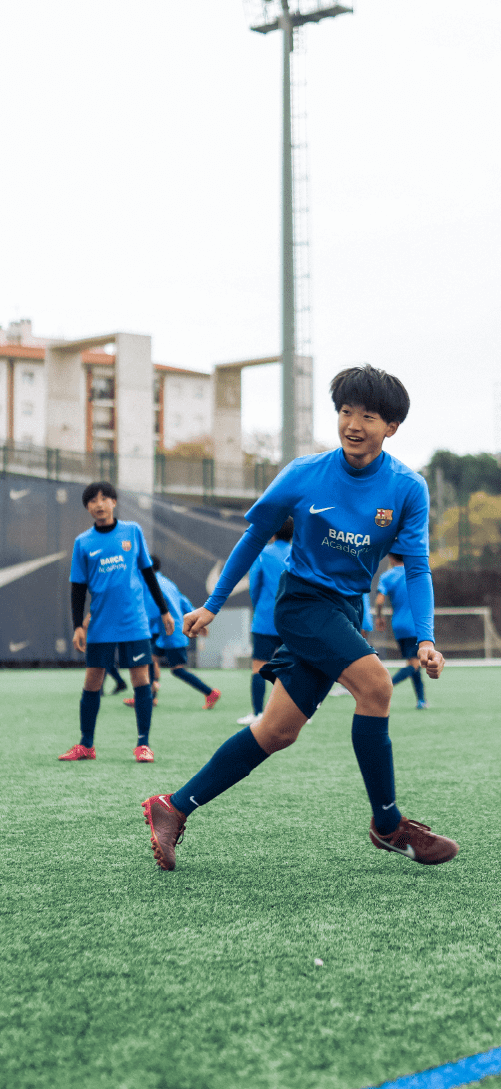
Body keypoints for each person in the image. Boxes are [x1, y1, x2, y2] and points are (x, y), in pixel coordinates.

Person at [142, 365, 456, 872]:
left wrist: (426, 639)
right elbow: (253, 538)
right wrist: (213, 604)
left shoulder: (407, 488)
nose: (353, 423)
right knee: (376, 687)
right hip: (303, 604)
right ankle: (388, 824)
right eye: (345, 411)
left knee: (277, 731)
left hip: (346, 610)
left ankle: (172, 807)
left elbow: (417, 567)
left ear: (391, 427)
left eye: (368, 415)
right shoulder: (303, 473)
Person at [59, 482, 174, 764]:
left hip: (133, 621)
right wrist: (77, 626)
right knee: (93, 681)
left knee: (141, 679)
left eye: (104, 499)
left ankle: (143, 745)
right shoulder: (83, 542)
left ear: (114, 502)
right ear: (87, 507)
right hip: (100, 624)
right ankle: (86, 745)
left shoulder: (132, 531)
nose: (99, 504)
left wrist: (164, 611)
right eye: (92, 501)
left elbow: (148, 574)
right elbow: (77, 588)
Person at [140, 558, 219, 709]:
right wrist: (196, 620)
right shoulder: (167, 582)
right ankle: (150, 697)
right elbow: (183, 601)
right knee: (150, 658)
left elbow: (152, 612)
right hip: (167, 633)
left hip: (170, 632)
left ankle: (210, 692)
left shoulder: (152, 585)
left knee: (178, 670)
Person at [237, 517, 293, 724]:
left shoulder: (263, 554)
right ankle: (298, 715)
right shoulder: (299, 554)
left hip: (265, 618)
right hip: (293, 621)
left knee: (259, 667)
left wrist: (260, 606)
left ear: (273, 532)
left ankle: (258, 714)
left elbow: (254, 587)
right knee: (294, 668)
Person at [375, 553, 428, 708]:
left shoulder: (387, 576)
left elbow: (379, 600)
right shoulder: (415, 573)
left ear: (391, 558)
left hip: (398, 625)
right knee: (414, 665)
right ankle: (384, 687)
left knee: (413, 663)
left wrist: (379, 617)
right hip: (415, 626)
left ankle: (421, 700)